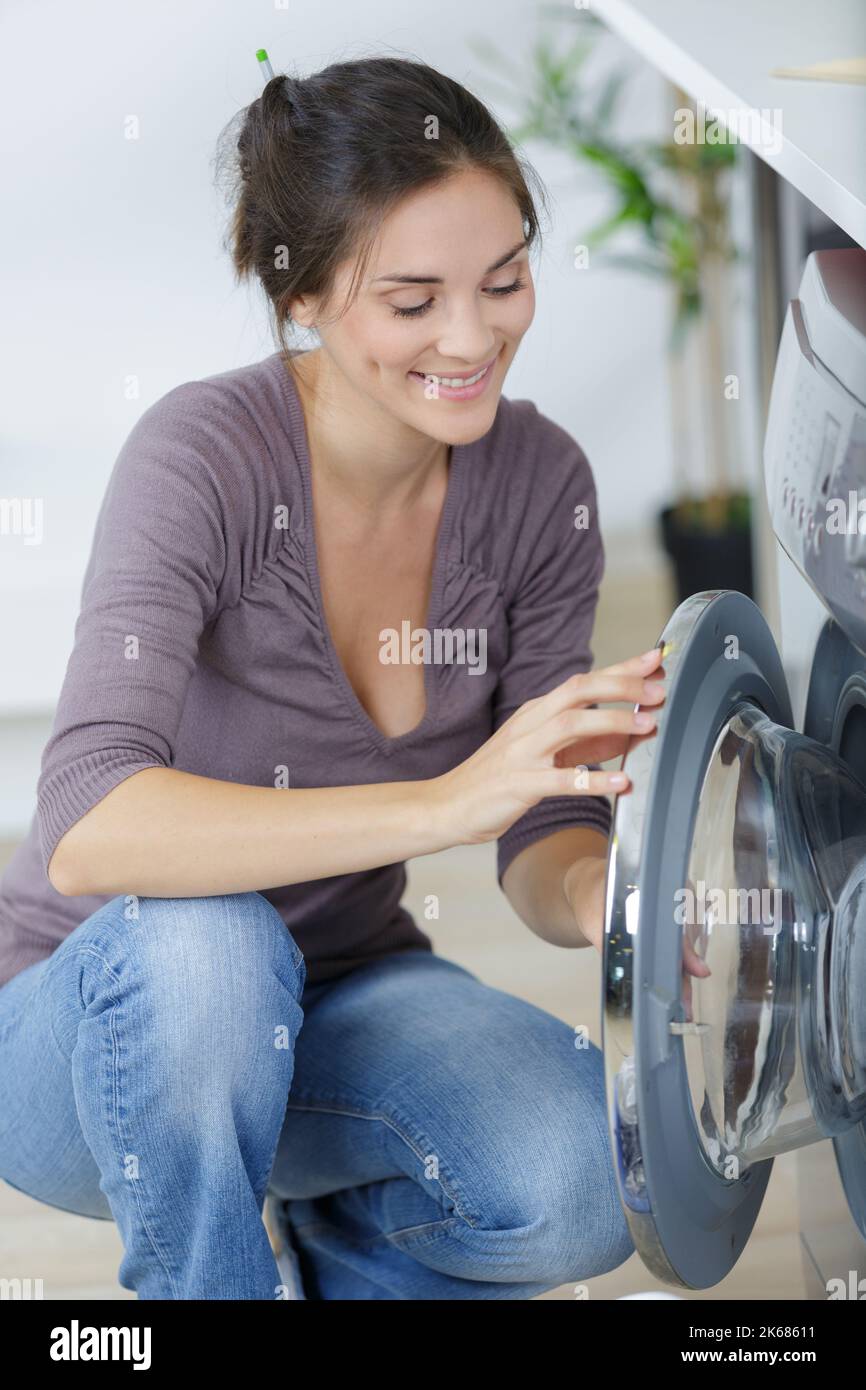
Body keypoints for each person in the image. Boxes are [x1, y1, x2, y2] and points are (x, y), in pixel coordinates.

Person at [0, 55, 669, 1300]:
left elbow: (542, 818)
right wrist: (440, 802)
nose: (471, 338)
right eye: (410, 301)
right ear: (298, 291)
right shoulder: (200, 457)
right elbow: (90, 824)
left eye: (504, 281)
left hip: (339, 995)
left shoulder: (538, 484)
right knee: (207, 947)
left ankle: (345, 1258)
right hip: (92, 1020)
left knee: (584, 1174)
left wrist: (621, 905)